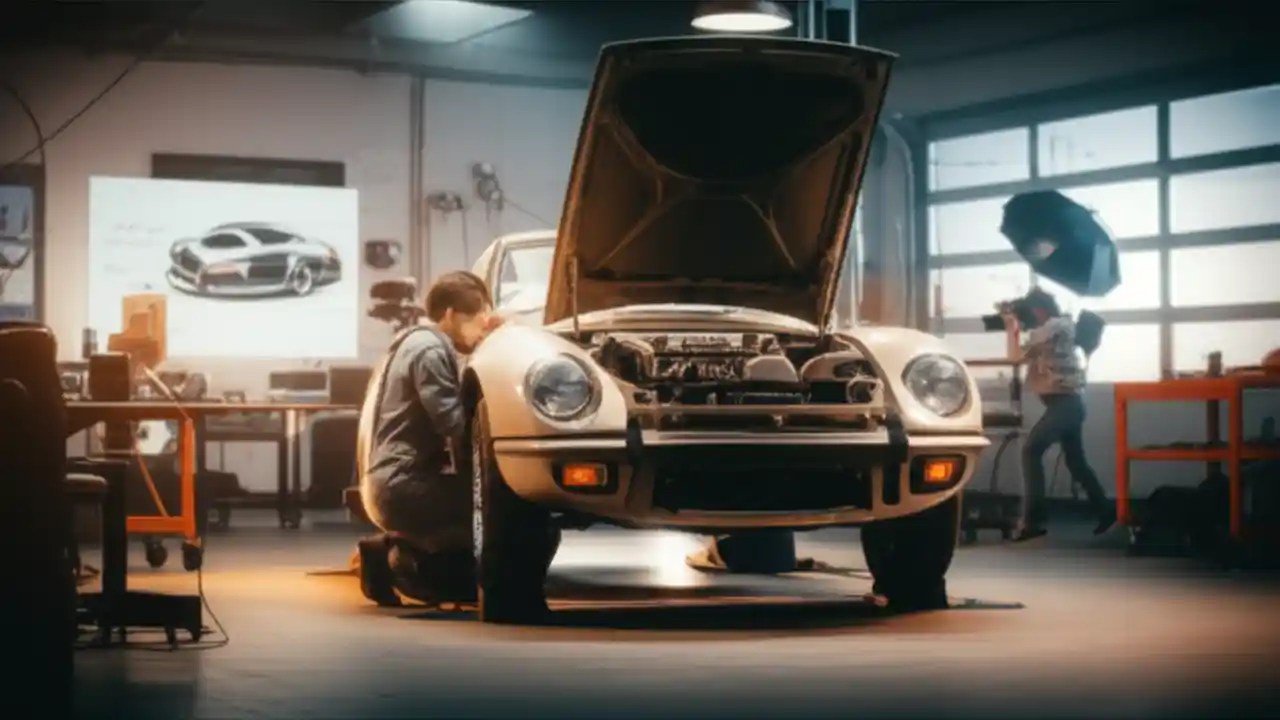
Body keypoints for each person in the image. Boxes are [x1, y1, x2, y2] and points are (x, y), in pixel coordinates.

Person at [356, 270, 516, 606]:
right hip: (403, 486)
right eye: (478, 321)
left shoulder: (415, 341)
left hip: (390, 482)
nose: (481, 331)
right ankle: (396, 559)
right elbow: (453, 425)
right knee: (505, 509)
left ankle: (396, 550)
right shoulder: (429, 352)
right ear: (451, 315)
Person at [1014, 288, 1115, 541]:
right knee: (1076, 463)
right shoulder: (1061, 327)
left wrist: (1010, 324)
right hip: (1070, 405)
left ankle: (1033, 522)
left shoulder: (1052, 327)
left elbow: (1017, 354)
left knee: (1031, 450)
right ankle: (1106, 510)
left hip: (1065, 406)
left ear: (1038, 311)